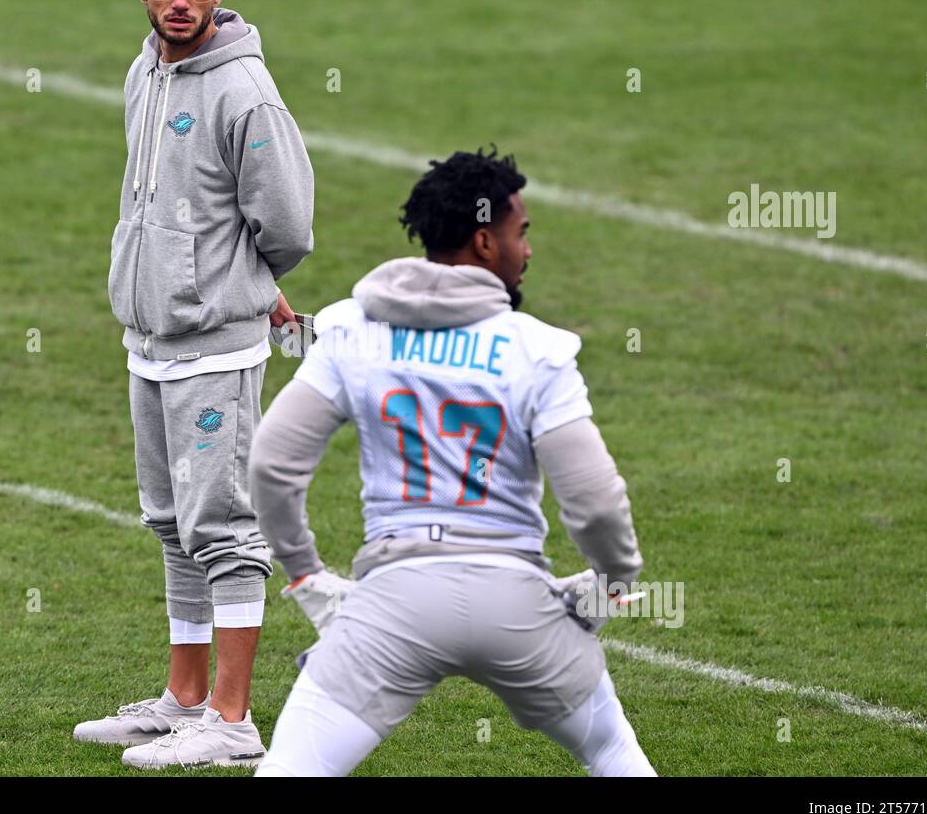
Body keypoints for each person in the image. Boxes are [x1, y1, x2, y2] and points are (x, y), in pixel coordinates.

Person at [248, 147, 657, 776]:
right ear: (487, 242)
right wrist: (612, 582)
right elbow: (596, 500)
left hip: (394, 601)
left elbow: (273, 463)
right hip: (515, 604)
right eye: (521, 234)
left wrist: (306, 576)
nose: (528, 250)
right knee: (611, 751)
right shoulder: (536, 348)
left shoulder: (351, 330)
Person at [73, 0, 314, 770]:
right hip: (149, 337)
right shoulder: (145, 68)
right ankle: (182, 700)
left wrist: (238, 285)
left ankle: (234, 719)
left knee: (225, 529)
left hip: (213, 343)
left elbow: (286, 221)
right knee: (172, 524)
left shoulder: (244, 93)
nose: (181, 1)